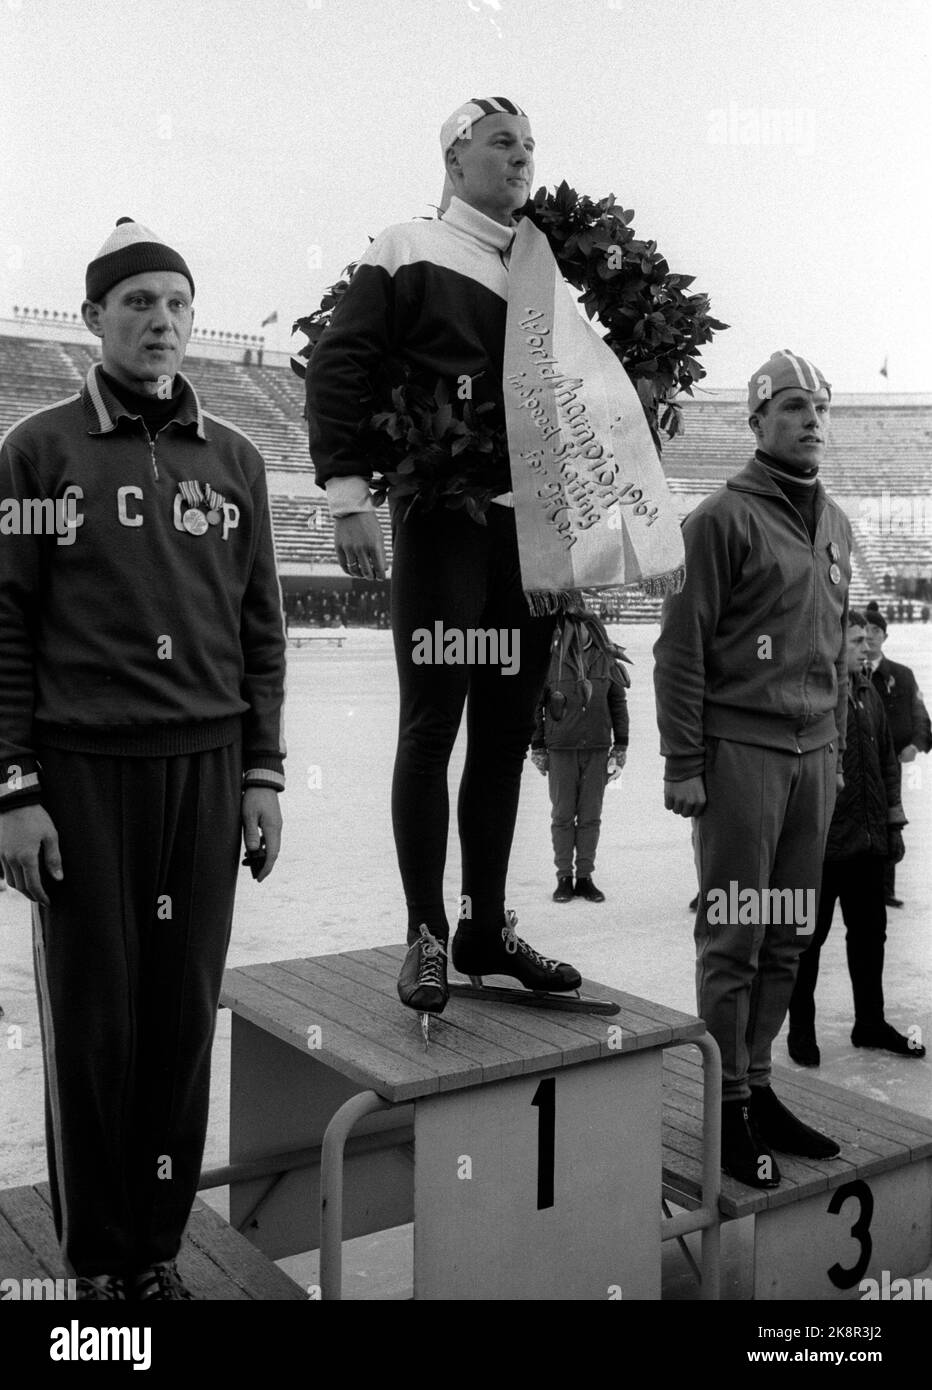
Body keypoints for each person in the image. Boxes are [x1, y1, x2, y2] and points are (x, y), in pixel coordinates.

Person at [0, 219, 286, 1300]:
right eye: (136, 305)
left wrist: (262, 774)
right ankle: (96, 1262)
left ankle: (157, 1250)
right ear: (92, 322)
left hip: (205, 772)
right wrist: (14, 787)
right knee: (95, 1026)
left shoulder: (240, 458)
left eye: (174, 301)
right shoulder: (37, 451)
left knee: (176, 1024)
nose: (161, 322)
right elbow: (6, 627)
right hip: (81, 775)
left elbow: (262, 631)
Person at [304, 99, 581, 1020]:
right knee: (434, 727)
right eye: (502, 143)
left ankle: (485, 928)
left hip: (526, 529)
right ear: (455, 157)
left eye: (530, 146)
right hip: (442, 517)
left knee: (505, 733)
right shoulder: (409, 245)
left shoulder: (543, 268)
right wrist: (348, 495)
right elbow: (341, 362)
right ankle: (425, 932)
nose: (521, 158)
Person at [654, 350, 851, 1189]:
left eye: (820, 408)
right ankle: (726, 1103)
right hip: (741, 757)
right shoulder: (720, 518)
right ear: (758, 420)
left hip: (813, 760)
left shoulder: (837, 523)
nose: (812, 420)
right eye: (795, 406)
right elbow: (680, 648)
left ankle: (760, 1086)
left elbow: (838, 651)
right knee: (735, 933)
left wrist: (836, 751)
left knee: (788, 935)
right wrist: (683, 762)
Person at [787, 611, 924, 1064]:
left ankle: (870, 1023)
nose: (868, 647)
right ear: (832, 641)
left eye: (869, 639)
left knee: (870, 937)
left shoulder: (868, 693)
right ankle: (800, 1030)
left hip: (867, 845)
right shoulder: (813, 695)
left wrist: (892, 826)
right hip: (821, 847)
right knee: (807, 940)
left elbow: (887, 765)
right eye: (857, 640)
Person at [530, 607, 629, 903]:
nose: (580, 632)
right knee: (562, 816)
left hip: (597, 748)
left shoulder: (606, 659)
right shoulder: (552, 661)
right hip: (561, 749)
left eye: (585, 626)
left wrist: (620, 746)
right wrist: (537, 746)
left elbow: (618, 704)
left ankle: (585, 876)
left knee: (590, 816)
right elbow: (537, 705)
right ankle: (564, 877)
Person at [864, 601, 931, 906]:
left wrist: (916, 744)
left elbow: (919, 713)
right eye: (864, 630)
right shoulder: (843, 673)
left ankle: (885, 888)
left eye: (876, 630)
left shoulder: (901, 675)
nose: (869, 635)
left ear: (885, 636)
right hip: (848, 761)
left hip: (888, 762)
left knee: (888, 820)